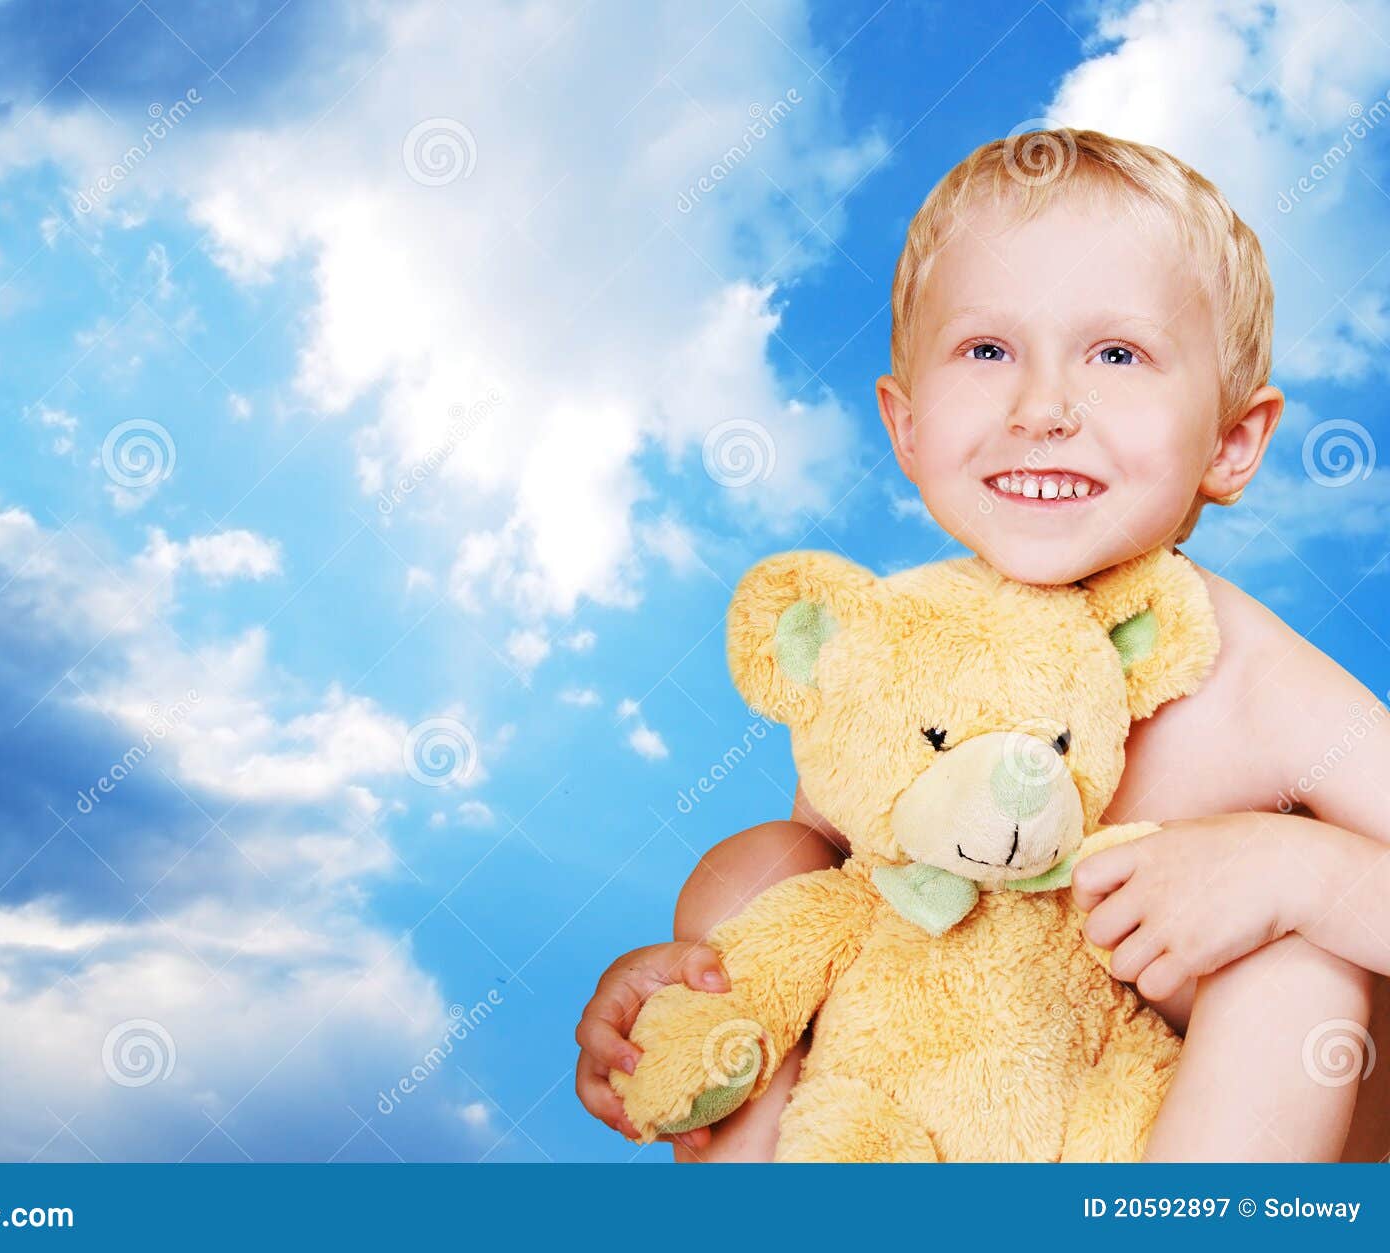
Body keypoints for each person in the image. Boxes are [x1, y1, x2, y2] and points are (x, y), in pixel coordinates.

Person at [575, 128, 1389, 1162]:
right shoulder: (900, 653)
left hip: (1176, 1146)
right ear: (906, 424)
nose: (1042, 407)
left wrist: (1297, 872)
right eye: (988, 350)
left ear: (1230, 441)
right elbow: (841, 921)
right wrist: (669, 997)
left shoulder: (1250, 676)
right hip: (954, 1115)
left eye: (1116, 353)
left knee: (1297, 962)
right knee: (771, 868)